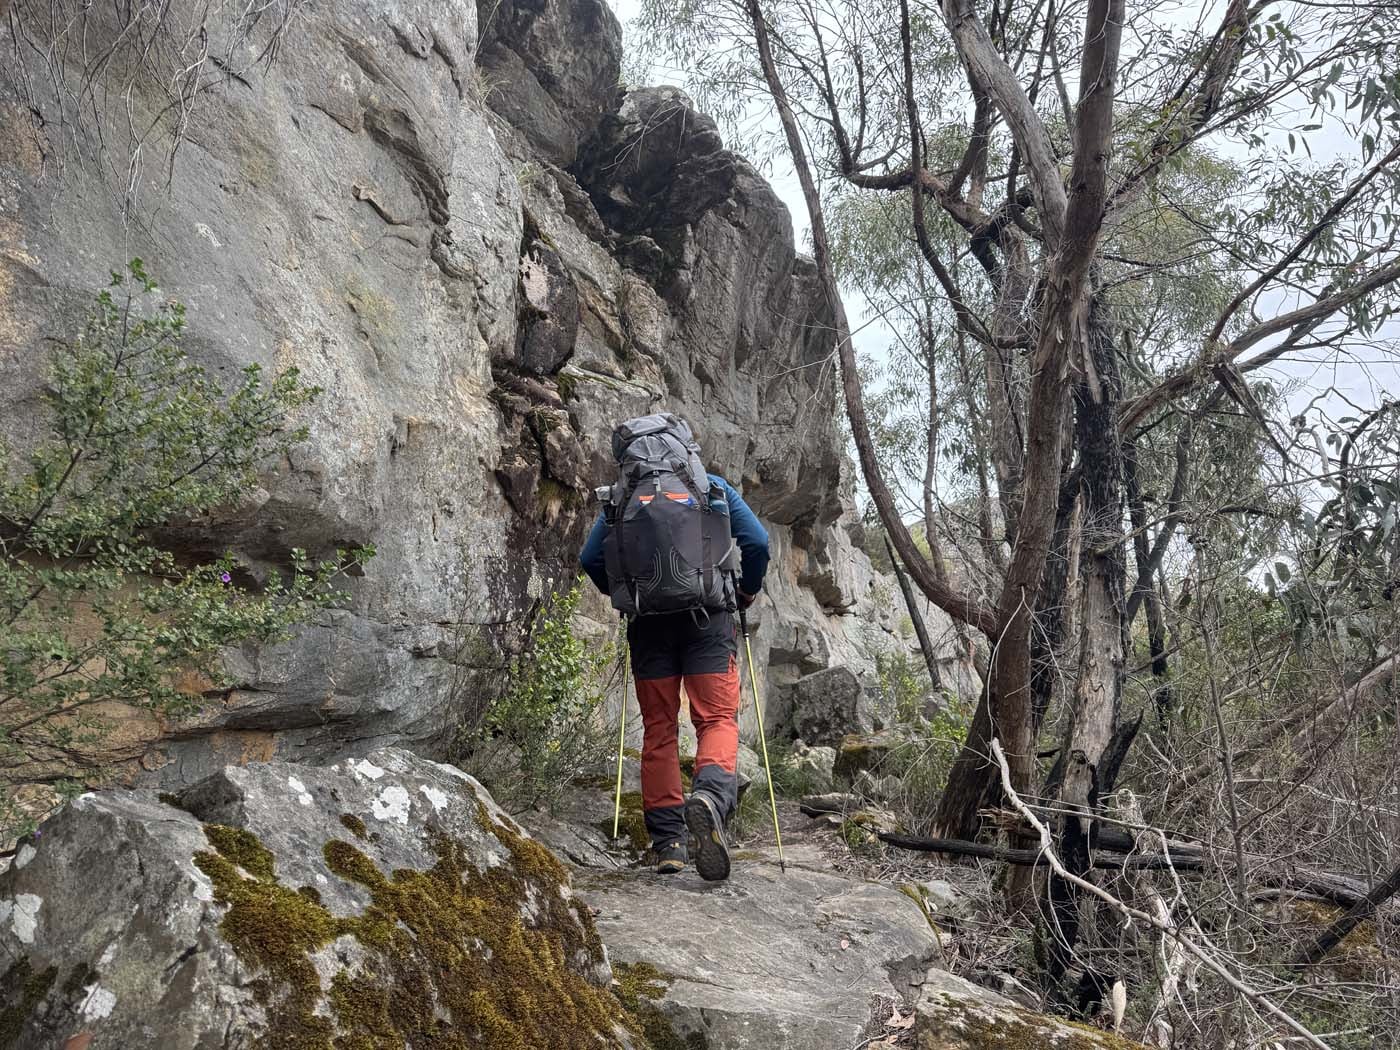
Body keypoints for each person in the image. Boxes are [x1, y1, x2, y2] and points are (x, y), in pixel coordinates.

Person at [579, 444, 769, 881]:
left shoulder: (622, 494)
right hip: (709, 620)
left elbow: (590, 559)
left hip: (648, 627)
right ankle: (710, 799)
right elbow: (757, 542)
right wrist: (747, 591)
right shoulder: (710, 486)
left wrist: (628, 594)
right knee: (717, 719)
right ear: (685, 450)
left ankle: (668, 843)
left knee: (660, 730)